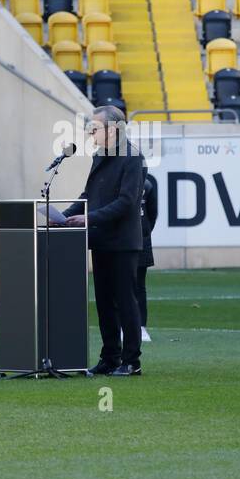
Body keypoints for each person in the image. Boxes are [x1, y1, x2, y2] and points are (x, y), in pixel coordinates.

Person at [62, 106, 145, 376]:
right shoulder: (99, 157)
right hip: (100, 239)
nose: (90, 134)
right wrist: (62, 216)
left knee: (125, 301)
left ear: (114, 129)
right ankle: (110, 357)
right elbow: (89, 194)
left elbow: (127, 202)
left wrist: (89, 218)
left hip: (122, 242)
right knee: (105, 302)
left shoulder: (132, 157)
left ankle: (131, 361)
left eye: (94, 129)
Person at [137, 170, 158, 343]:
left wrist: (144, 233)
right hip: (119, 240)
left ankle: (141, 327)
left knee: (139, 286)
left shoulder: (147, 186)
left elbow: (153, 214)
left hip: (141, 241)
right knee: (119, 286)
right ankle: (122, 326)